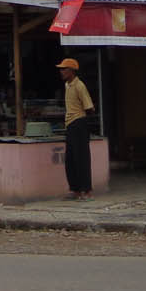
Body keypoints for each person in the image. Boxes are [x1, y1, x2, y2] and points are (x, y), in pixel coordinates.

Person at [58, 58, 95, 199]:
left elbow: (89, 107)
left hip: (79, 122)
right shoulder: (67, 85)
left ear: (72, 71)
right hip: (70, 124)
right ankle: (75, 189)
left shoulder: (79, 86)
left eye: (64, 69)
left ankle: (87, 190)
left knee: (82, 158)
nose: (61, 72)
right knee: (70, 159)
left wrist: (83, 121)